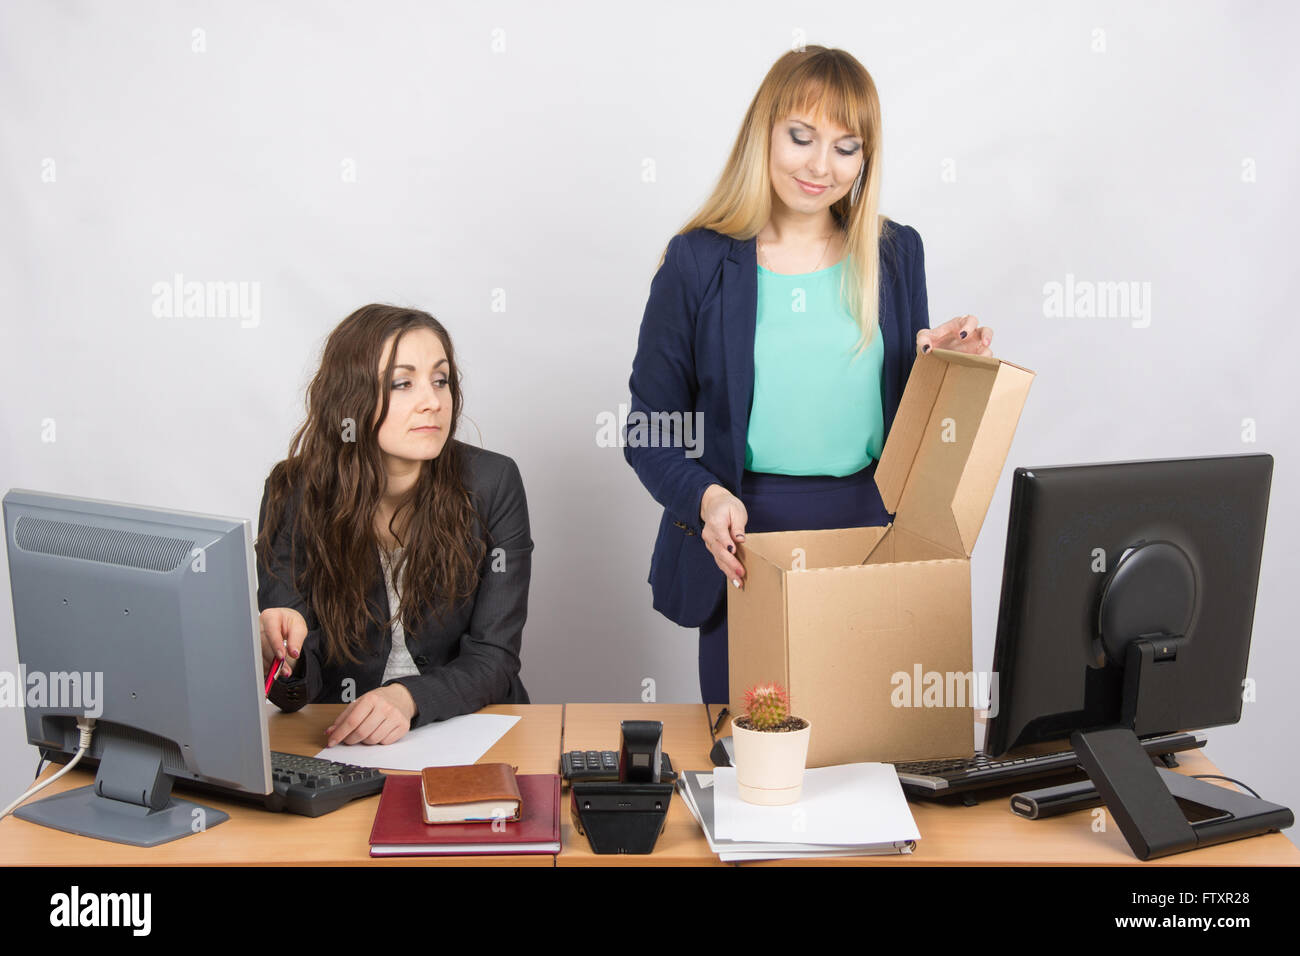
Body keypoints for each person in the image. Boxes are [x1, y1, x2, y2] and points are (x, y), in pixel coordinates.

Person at [624, 46, 994, 704]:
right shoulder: (697, 263)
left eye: (847, 147)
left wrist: (946, 374)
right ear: (763, 132)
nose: (822, 166)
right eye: (802, 137)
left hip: (870, 533)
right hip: (745, 538)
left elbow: (915, 436)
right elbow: (651, 430)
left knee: (874, 764)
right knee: (758, 765)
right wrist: (709, 503)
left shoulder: (894, 252)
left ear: (865, 159)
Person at [256, 304, 531, 745]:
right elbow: (292, 696)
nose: (434, 401)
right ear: (352, 396)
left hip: (470, 728)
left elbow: (494, 658)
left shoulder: (492, 482)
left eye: (440, 380)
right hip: (345, 738)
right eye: (403, 384)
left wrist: (407, 698)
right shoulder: (293, 492)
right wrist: (281, 659)